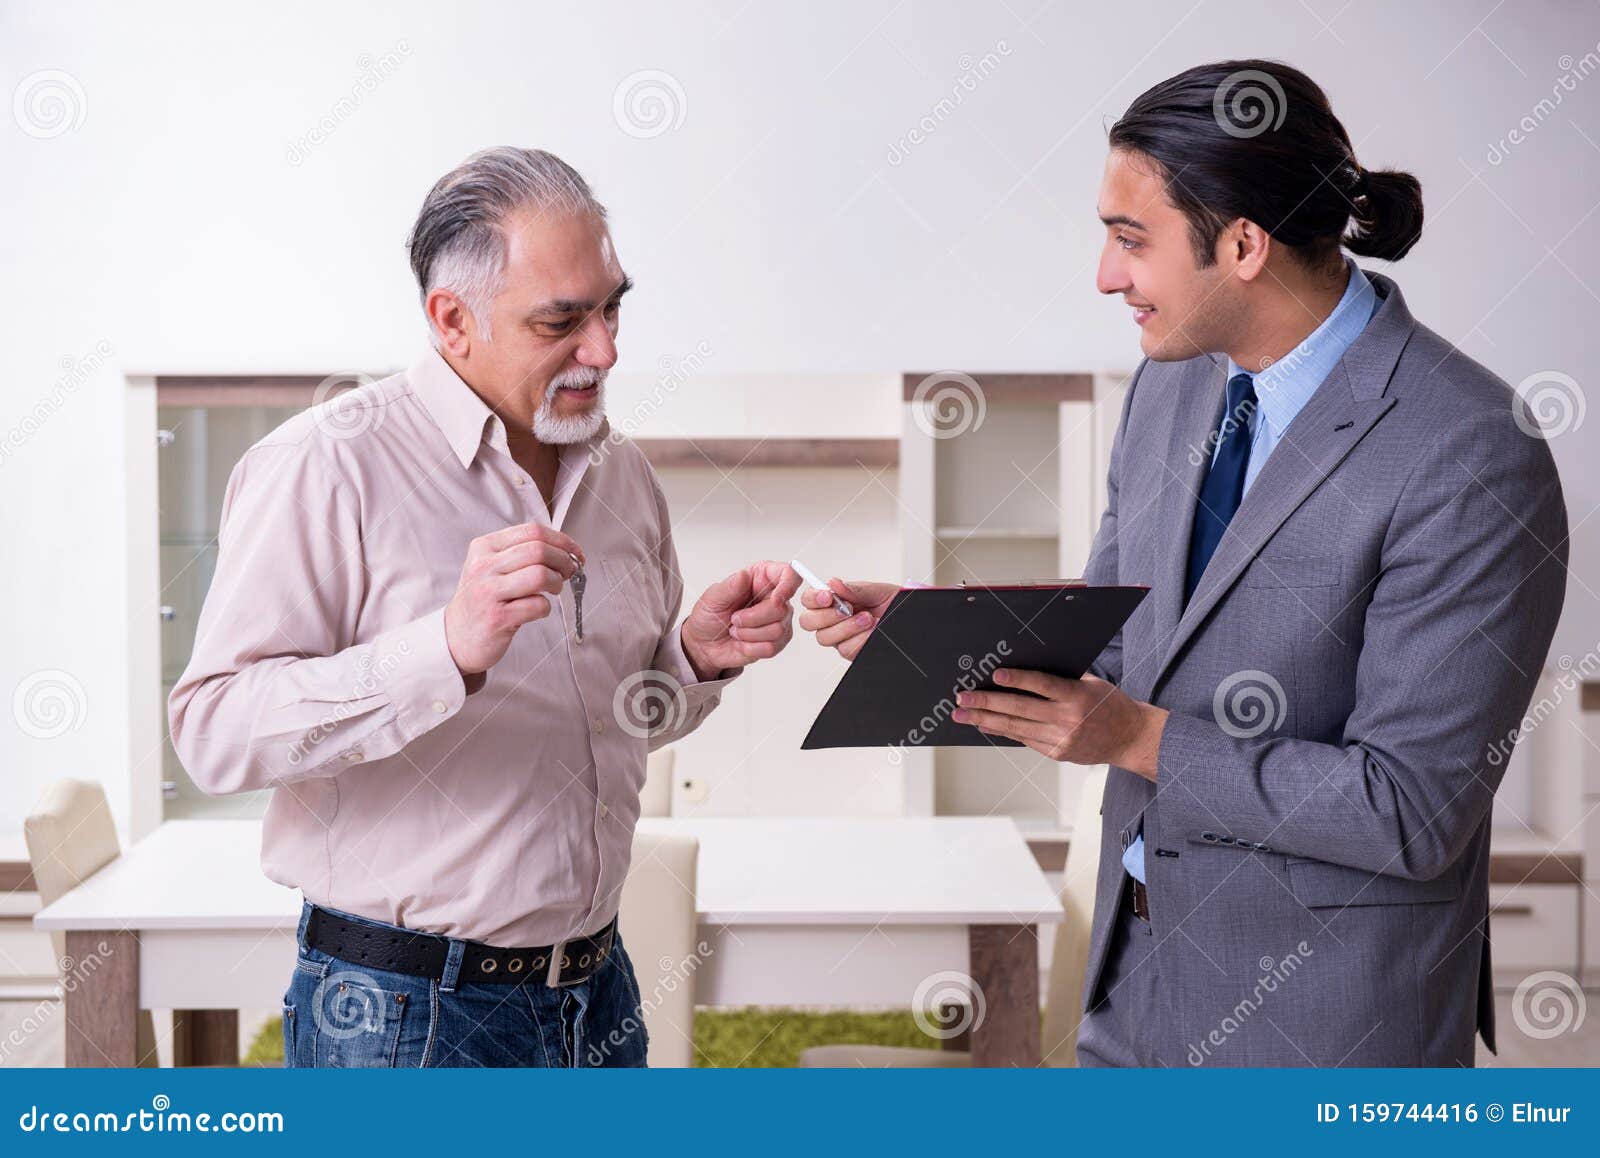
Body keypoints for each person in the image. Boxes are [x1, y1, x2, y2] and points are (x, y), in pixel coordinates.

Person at [800, 60, 1568, 1067]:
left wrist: (1139, 738)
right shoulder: (1170, 390)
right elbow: (1119, 652)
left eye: (1130, 240)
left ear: (1242, 244)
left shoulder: (1468, 450)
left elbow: (1410, 810)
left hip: (1323, 1027)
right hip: (1132, 989)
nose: (1104, 275)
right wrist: (939, 630)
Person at [169, 147, 800, 1067]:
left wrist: (692, 659)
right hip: (400, 1017)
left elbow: (608, 727)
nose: (607, 349)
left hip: (599, 994)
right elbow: (212, 731)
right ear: (452, 320)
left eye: (614, 305)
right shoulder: (324, 465)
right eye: (563, 321)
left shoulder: (620, 471)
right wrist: (445, 650)